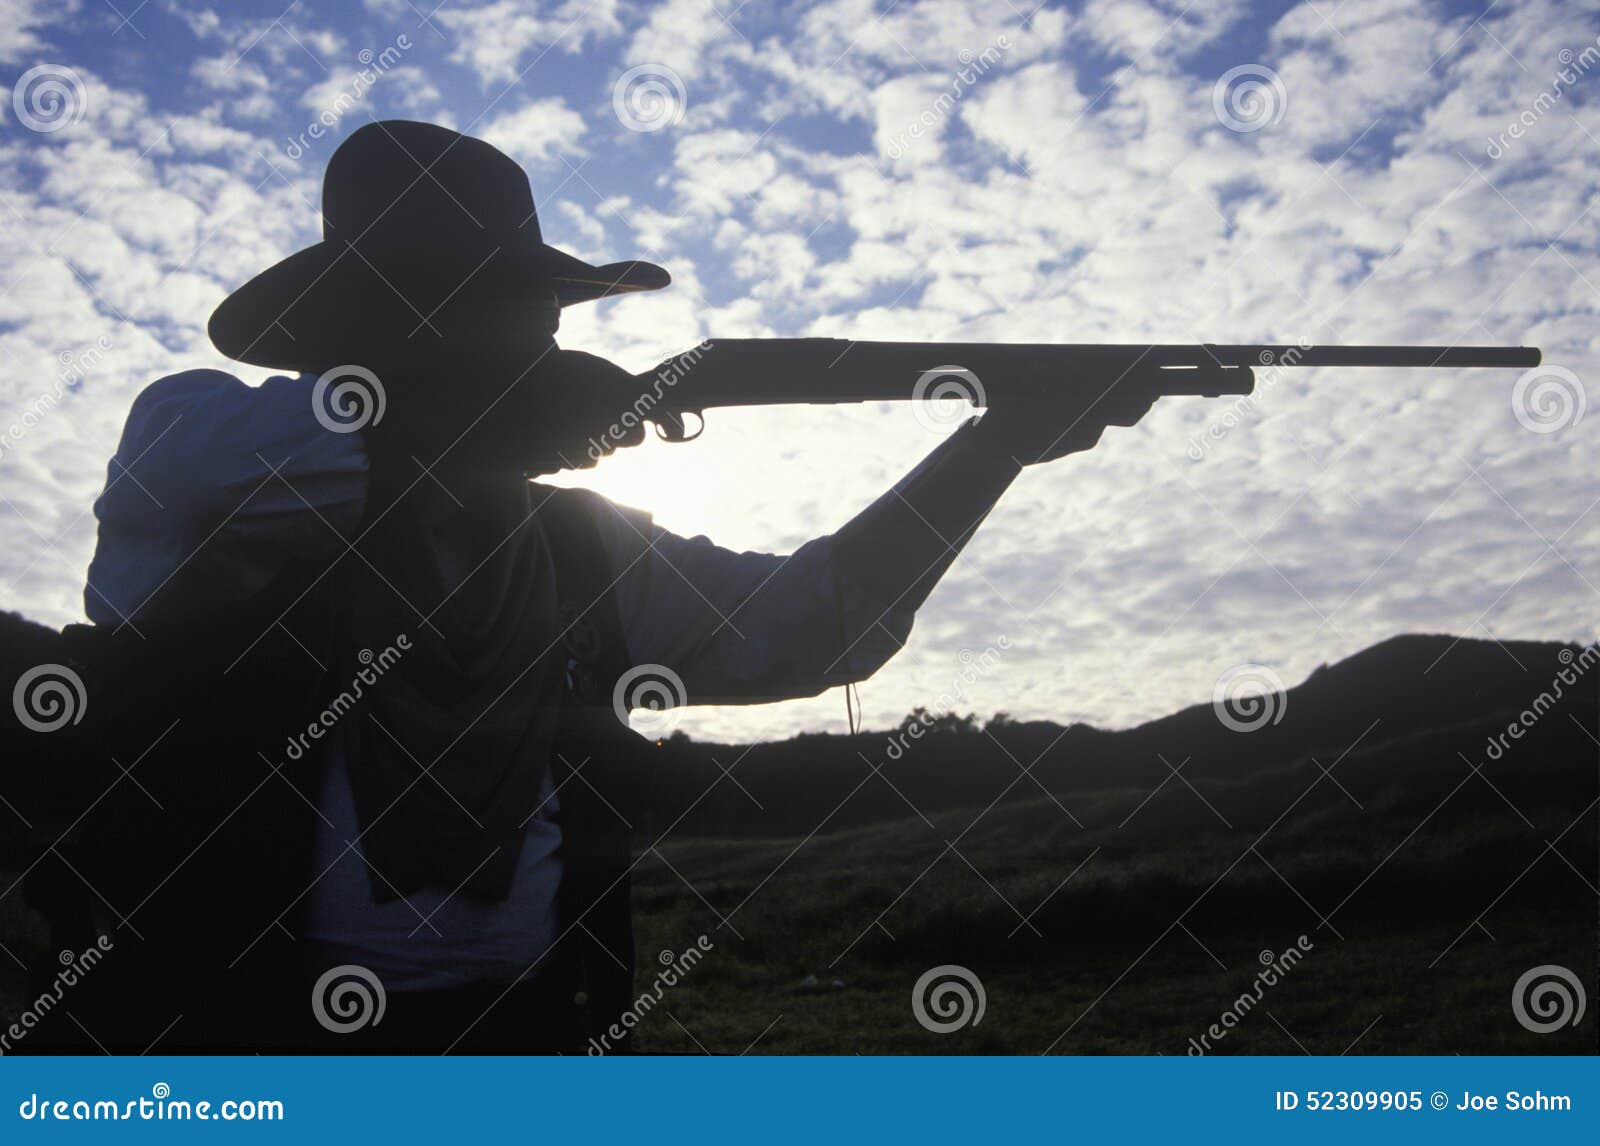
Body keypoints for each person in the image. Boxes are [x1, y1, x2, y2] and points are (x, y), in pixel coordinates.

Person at [43, 120, 1155, 1054]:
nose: (538, 329)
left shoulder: (579, 545)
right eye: (490, 303)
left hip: (529, 1033)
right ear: (371, 321)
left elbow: (823, 627)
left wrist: (992, 446)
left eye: (537, 308)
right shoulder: (196, 437)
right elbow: (379, 441)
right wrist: (521, 412)